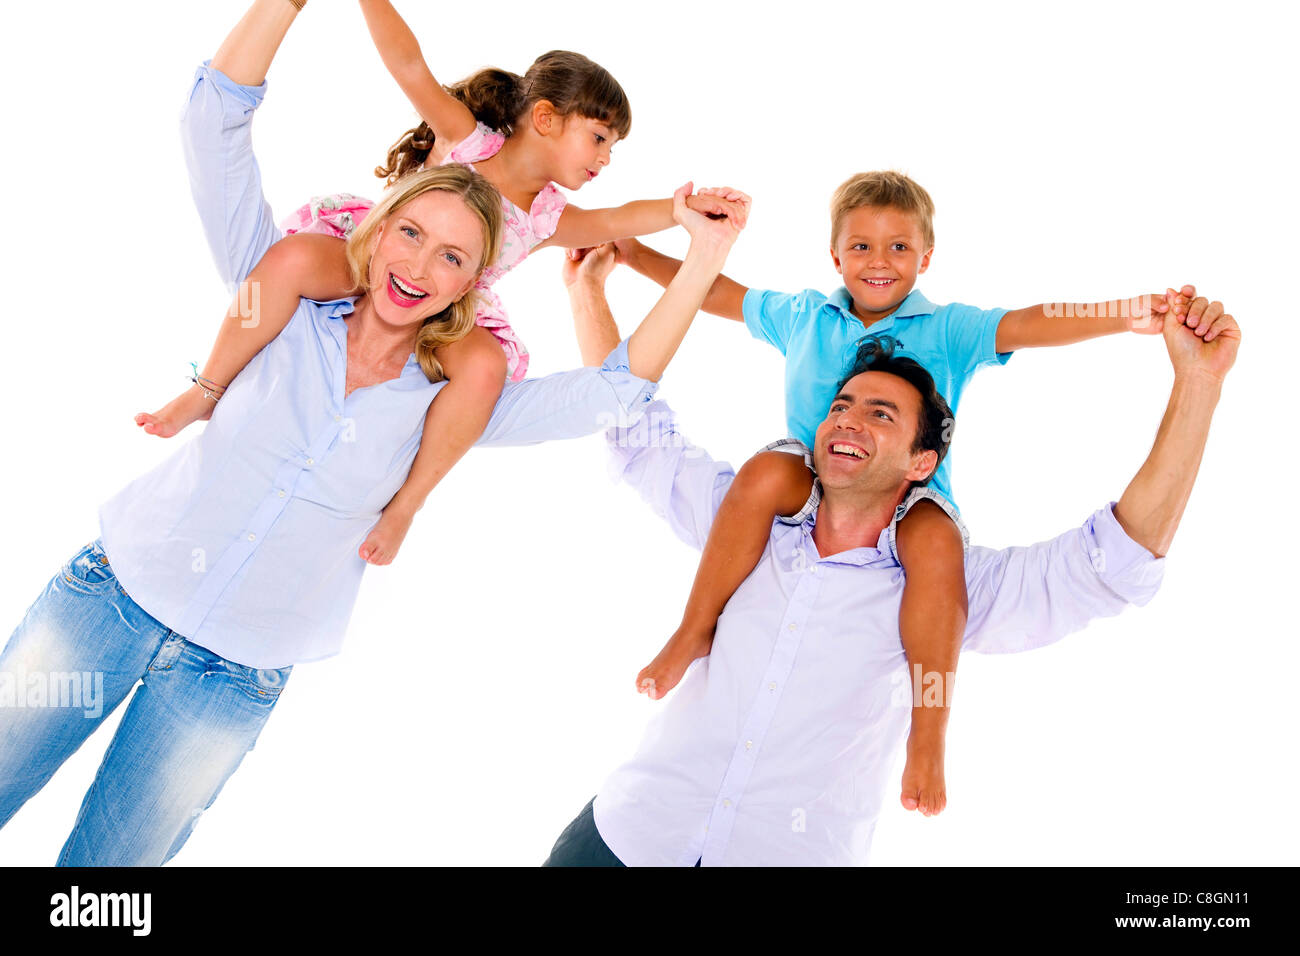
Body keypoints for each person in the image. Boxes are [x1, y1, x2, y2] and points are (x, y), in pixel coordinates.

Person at [0, 10, 745, 866]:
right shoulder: (281, 294)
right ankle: (202, 391)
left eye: (457, 260)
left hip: (234, 674)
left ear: (477, 285)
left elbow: (615, 391)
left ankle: (406, 503)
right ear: (382, 223)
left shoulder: (460, 389)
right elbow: (220, 119)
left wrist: (699, 247)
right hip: (113, 594)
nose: (423, 268)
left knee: (103, 883)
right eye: (413, 236)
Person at [543, 256, 1238, 865]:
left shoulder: (943, 588)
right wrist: (586, 291)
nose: (846, 418)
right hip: (629, 836)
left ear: (922, 462)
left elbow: (1111, 564)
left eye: (881, 415)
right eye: (842, 404)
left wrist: (1198, 386)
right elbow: (635, 432)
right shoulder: (748, 523)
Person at [611, 171, 1192, 817]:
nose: (878, 262)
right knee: (764, 474)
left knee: (935, 546)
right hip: (808, 478)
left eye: (897, 248)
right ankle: (694, 630)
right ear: (835, 257)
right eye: (860, 247)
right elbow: (716, 292)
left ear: (925, 258)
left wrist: (1126, 314)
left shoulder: (949, 329)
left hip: (910, 496)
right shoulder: (803, 315)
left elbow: (1035, 321)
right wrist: (634, 254)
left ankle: (928, 734)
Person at [137, 0, 748, 567]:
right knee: (289, 263)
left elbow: (622, 218)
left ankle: (408, 503)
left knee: (483, 371)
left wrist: (682, 209)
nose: (605, 158)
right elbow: (408, 63)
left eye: (612, 148)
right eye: (599, 139)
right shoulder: (468, 139)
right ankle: (209, 388)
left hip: (443, 309)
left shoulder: (549, 217)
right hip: (374, 260)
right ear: (545, 118)